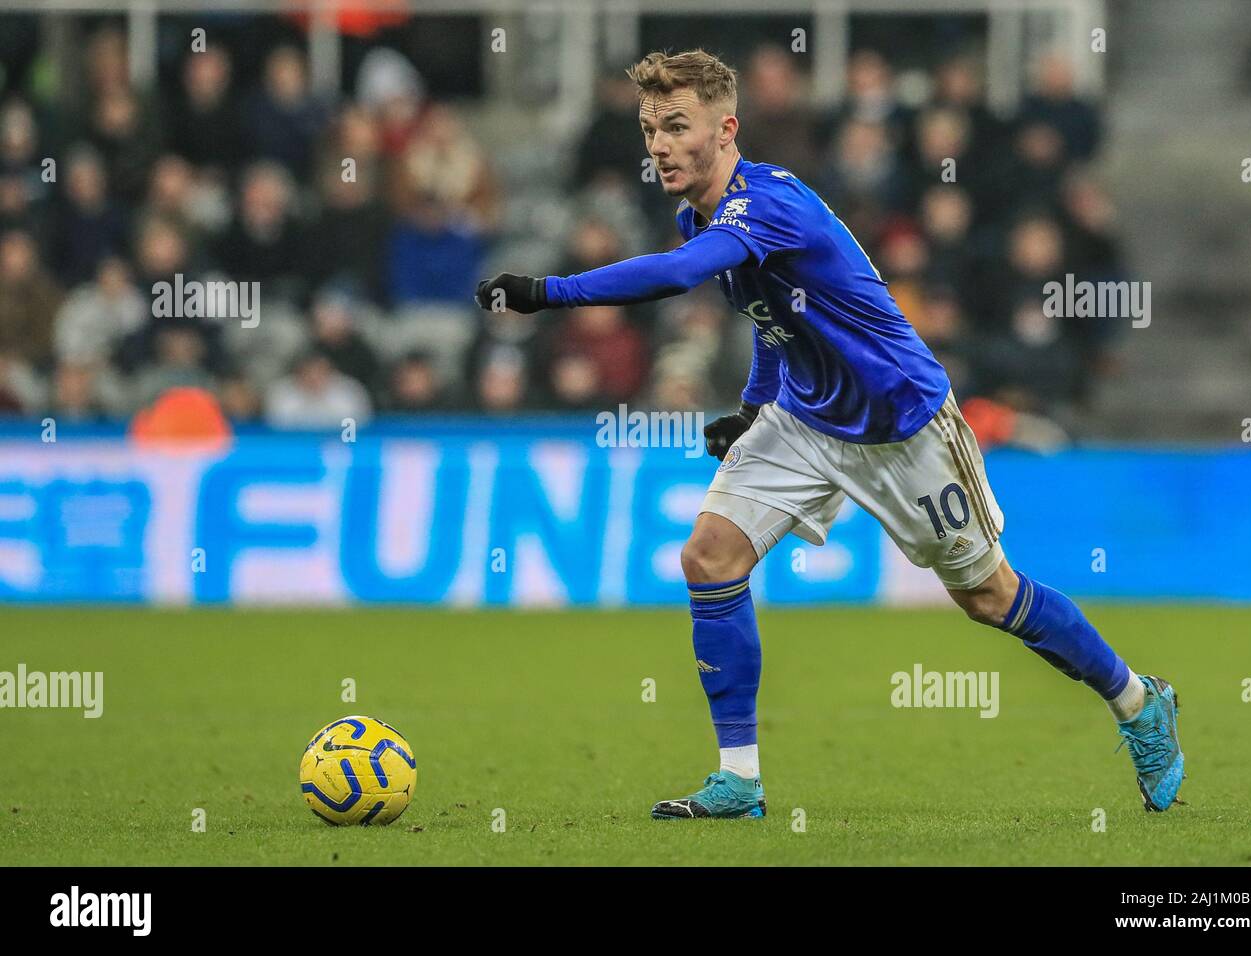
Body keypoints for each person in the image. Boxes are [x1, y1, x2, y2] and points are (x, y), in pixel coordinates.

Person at [474, 49, 1184, 819]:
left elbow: (679, 276)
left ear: (726, 128)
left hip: (902, 423)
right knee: (709, 557)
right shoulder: (699, 213)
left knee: (988, 595)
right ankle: (739, 780)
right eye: (651, 129)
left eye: (678, 126)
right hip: (804, 417)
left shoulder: (767, 202)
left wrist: (546, 291)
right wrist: (753, 410)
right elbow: (772, 317)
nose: (661, 146)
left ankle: (1137, 699)